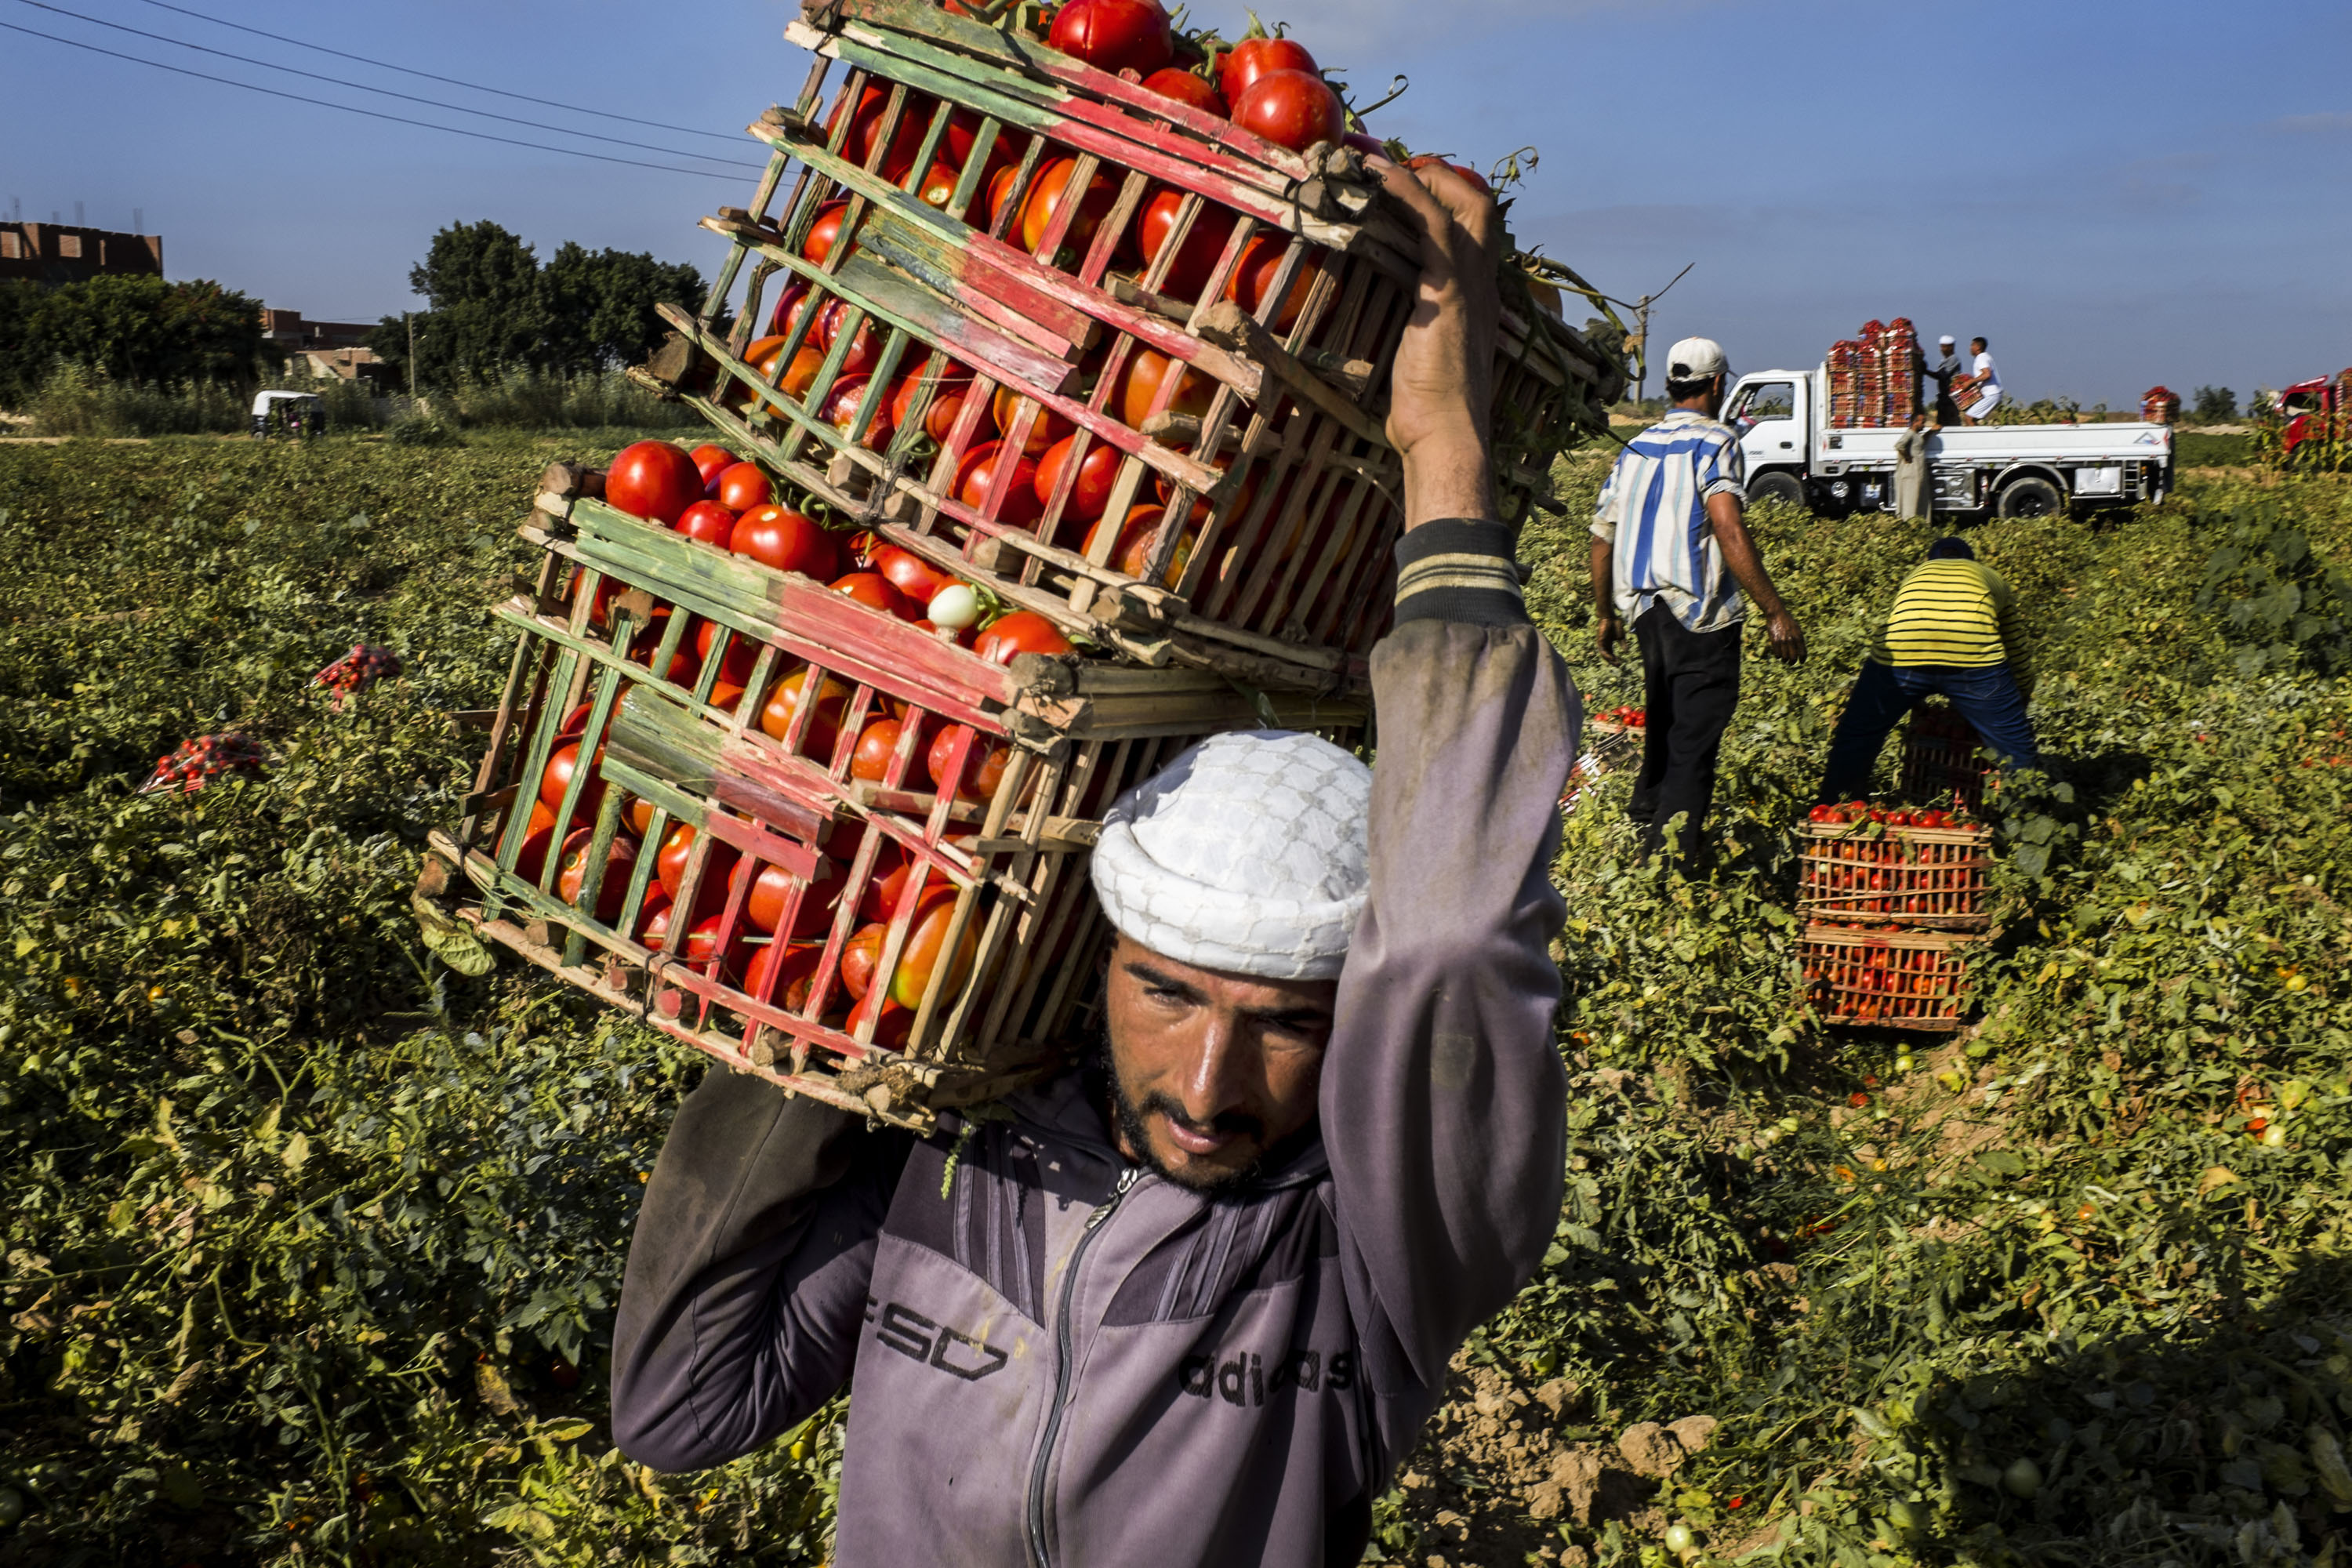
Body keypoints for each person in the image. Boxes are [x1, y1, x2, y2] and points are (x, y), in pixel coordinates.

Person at [608, 157, 1576, 1568]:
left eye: (1291, 1025)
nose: (1209, 1089)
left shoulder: (1370, 1252)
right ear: (1090, 960)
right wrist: (820, 999)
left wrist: (1441, 447)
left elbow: (1450, 943)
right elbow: (681, 1409)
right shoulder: (957, 1169)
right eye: (1167, 993)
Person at [1591, 336, 1806, 867]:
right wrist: (1775, 611)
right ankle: (1669, 862)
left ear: (1670, 385)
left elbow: (1601, 537)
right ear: (1717, 384)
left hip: (1645, 610)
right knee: (1693, 736)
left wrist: (1605, 615)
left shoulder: (1637, 446)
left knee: (1666, 717)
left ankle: (1646, 818)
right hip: (1699, 614)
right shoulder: (1716, 441)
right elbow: (1728, 526)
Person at [1817, 535, 2040, 800]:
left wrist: (1895, 693)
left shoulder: (1916, 575)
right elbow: (2015, 647)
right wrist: (2018, 697)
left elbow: (1900, 622)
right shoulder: (1989, 576)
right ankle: (2023, 811)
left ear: (1931, 560)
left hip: (1903, 653)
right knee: (2016, 749)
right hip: (1972, 655)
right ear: (1970, 561)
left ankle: (1834, 808)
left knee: (1857, 734)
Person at [1891, 408, 1938, 521]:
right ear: (1915, 422)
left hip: (1918, 472)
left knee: (1919, 498)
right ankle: (1909, 522)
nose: (1924, 424)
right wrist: (1907, 457)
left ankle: (1918, 523)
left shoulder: (1916, 435)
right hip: (1911, 473)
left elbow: (1921, 441)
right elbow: (1899, 446)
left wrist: (1931, 431)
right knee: (1911, 500)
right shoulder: (1910, 433)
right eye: (1922, 422)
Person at [1963, 336, 2003, 423]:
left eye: (1972, 345)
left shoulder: (1981, 357)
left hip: (1992, 394)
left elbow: (1987, 374)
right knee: (1973, 418)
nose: (1970, 348)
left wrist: (1970, 382)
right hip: (1994, 394)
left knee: (1968, 417)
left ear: (1978, 347)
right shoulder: (1986, 356)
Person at [1926, 335, 1964, 425]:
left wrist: (1925, 371)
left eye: (1944, 347)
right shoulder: (1945, 360)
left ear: (1951, 347)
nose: (1941, 349)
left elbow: (1942, 376)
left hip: (1950, 399)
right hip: (1944, 398)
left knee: (1951, 424)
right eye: (1941, 347)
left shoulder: (1953, 359)